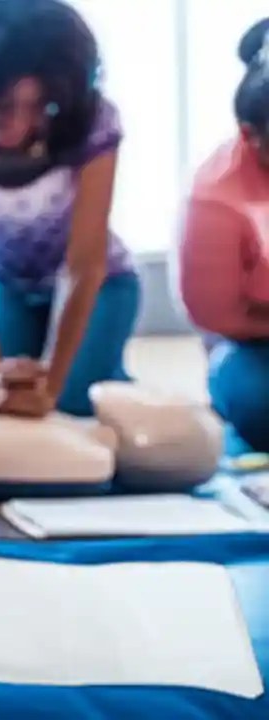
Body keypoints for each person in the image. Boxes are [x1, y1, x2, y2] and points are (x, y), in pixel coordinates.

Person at [0, 0, 139, 419]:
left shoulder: (95, 124)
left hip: (101, 283)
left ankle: (110, 377)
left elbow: (84, 265)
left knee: (74, 406)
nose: (20, 124)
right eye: (4, 107)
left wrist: (50, 390)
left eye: (41, 108)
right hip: (7, 283)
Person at [176, 18, 269, 453]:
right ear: (253, 138)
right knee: (258, 402)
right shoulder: (218, 195)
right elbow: (216, 315)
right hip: (253, 344)